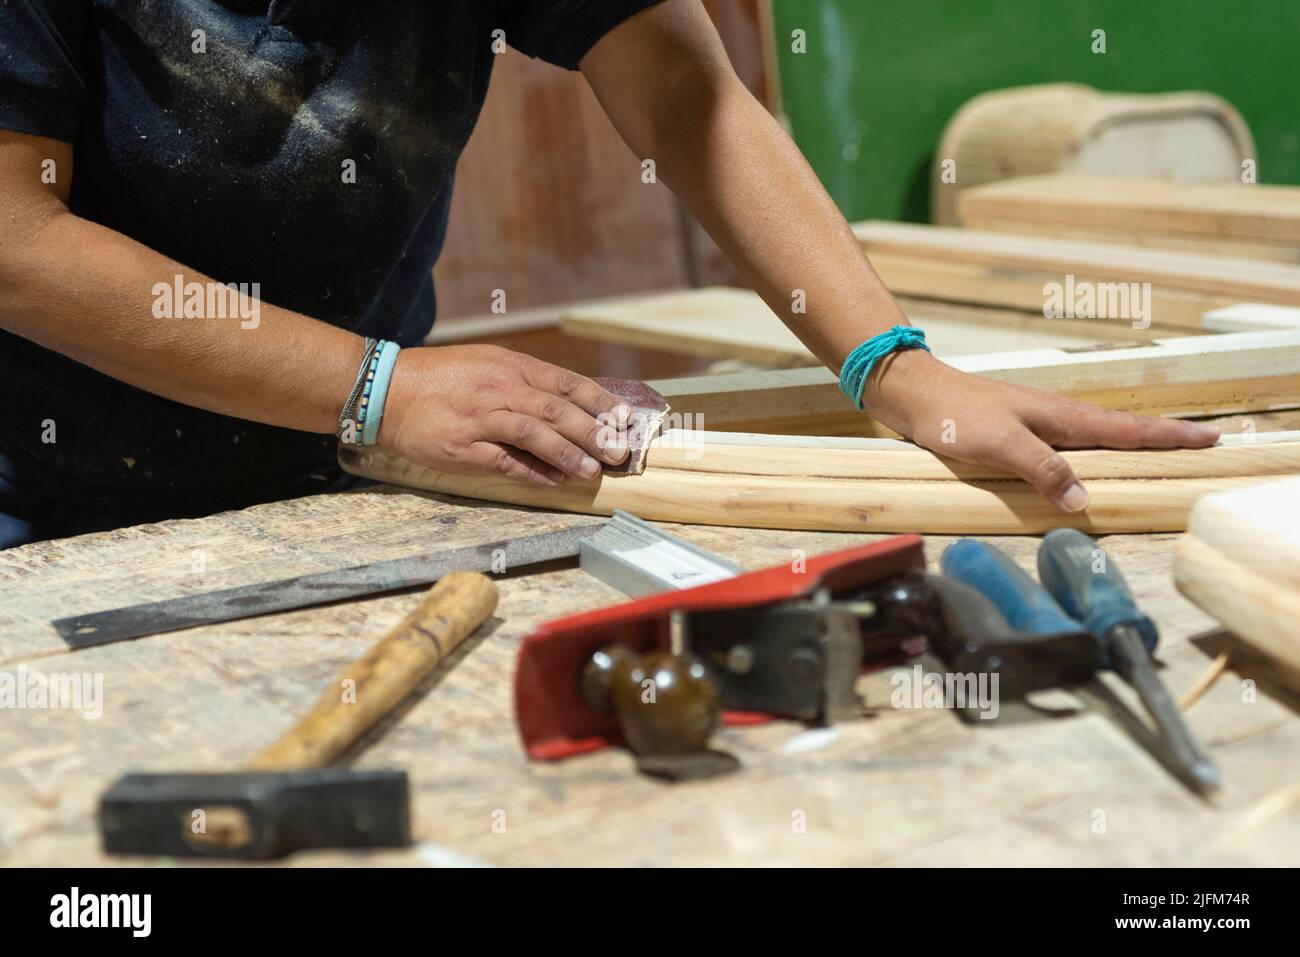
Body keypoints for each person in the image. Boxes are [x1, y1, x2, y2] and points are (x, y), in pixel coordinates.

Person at [0, 0, 1217, 548]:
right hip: (40, 492)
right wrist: (380, 385)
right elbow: (19, 240)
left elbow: (687, 98)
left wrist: (890, 366)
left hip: (335, 475)